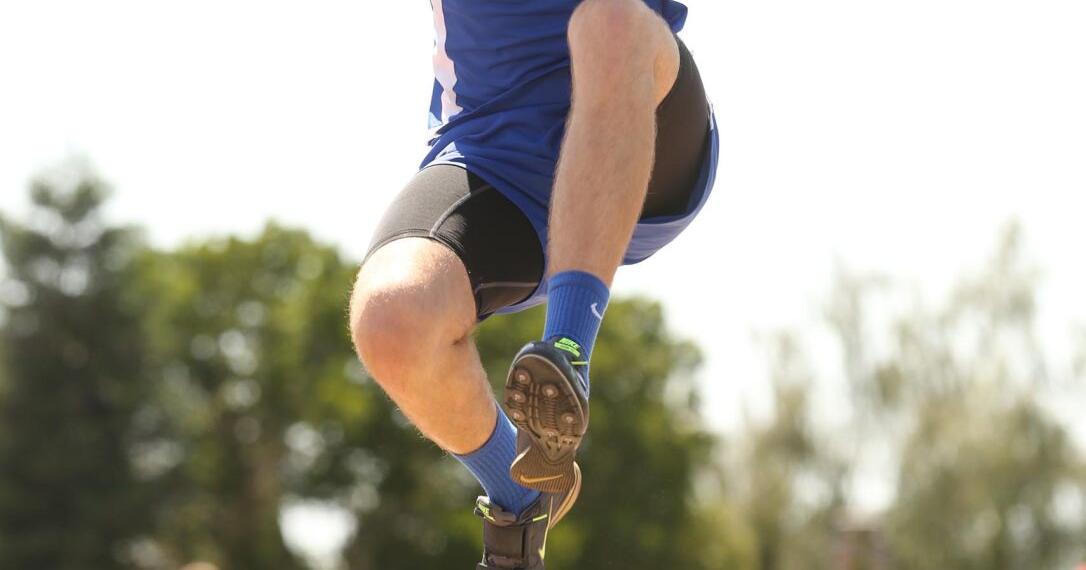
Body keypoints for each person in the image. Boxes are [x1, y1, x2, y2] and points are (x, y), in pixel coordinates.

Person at [349, 0, 718, 567]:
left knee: (610, 22)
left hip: (638, 100)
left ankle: (568, 350)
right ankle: (524, 494)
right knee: (393, 319)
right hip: (495, 155)